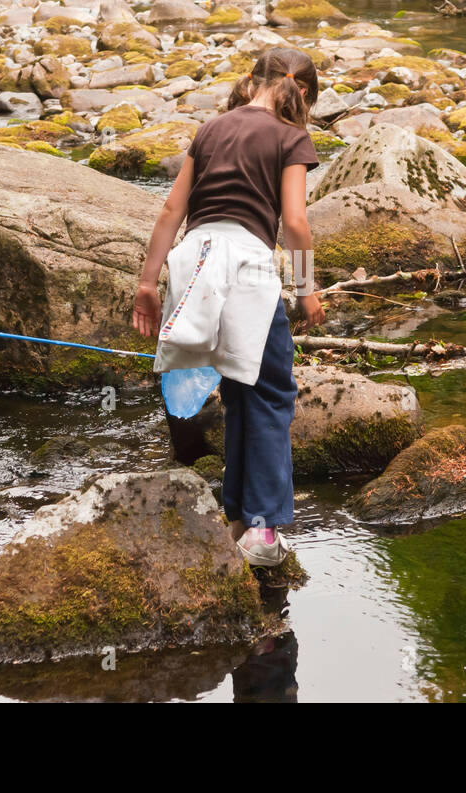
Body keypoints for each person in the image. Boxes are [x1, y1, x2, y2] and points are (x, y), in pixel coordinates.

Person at [132, 46, 326, 566]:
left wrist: (149, 283)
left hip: (192, 261)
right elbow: (296, 222)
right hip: (243, 267)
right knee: (270, 392)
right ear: (301, 94)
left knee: (241, 387)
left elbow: (173, 209)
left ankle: (238, 518)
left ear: (249, 81)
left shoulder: (211, 128)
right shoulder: (291, 136)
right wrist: (307, 288)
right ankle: (261, 531)